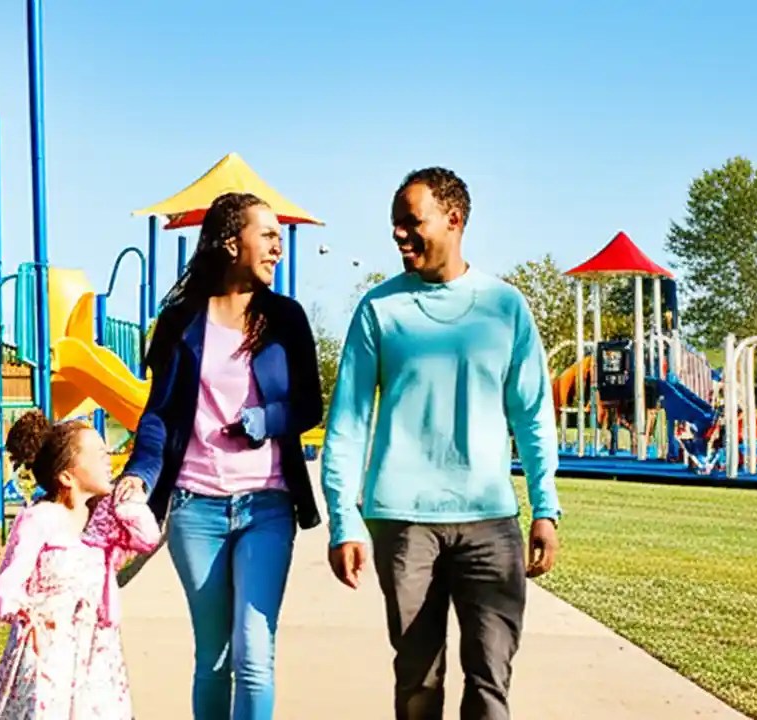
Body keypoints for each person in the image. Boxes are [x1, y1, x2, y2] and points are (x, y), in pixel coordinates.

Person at [321, 167, 562, 720]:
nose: (399, 234)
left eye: (411, 222)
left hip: (490, 522)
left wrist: (546, 507)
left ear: (453, 219)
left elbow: (533, 415)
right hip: (402, 523)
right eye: (395, 224)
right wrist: (344, 520)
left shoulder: (505, 307)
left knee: (490, 682)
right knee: (418, 682)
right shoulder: (379, 310)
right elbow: (348, 424)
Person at [117, 192, 324, 719]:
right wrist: (139, 474)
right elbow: (159, 413)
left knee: (254, 653)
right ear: (232, 243)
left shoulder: (286, 319)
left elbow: (309, 405)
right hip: (196, 508)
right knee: (213, 657)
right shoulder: (181, 321)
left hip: (267, 505)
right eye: (267, 235)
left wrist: (266, 420)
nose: (278, 247)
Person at [0, 411, 160, 719]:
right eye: (98, 453)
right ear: (67, 477)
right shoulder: (40, 518)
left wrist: (129, 501)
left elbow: (148, 538)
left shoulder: (104, 519)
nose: (108, 459)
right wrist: (24, 614)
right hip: (49, 645)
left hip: (96, 646)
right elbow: (10, 580)